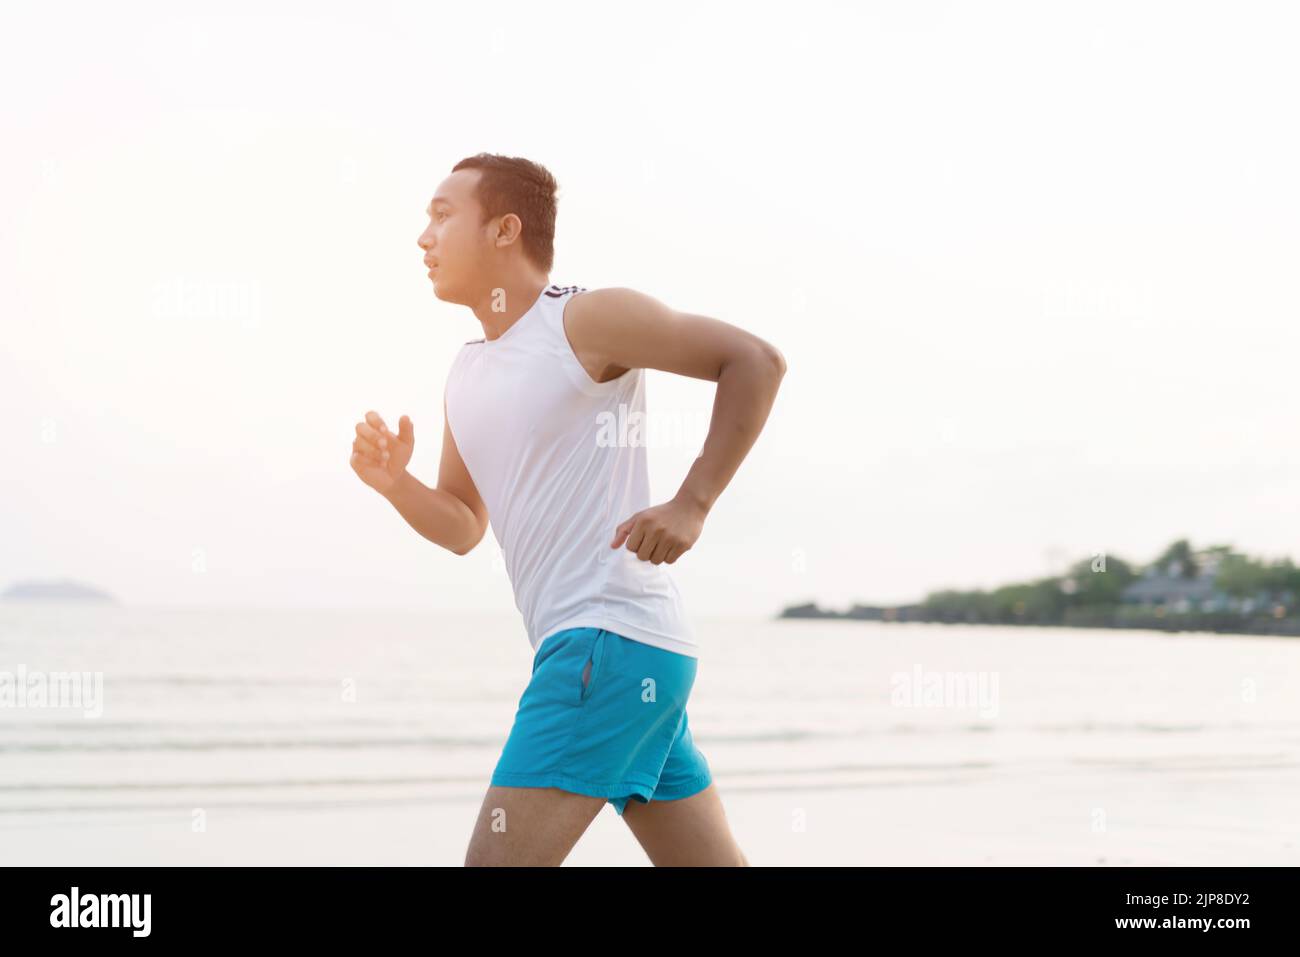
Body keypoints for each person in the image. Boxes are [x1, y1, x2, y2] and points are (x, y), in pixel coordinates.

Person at [349, 153, 785, 866]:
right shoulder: (467, 371)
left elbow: (755, 361)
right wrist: (396, 484)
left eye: (441, 214)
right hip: (630, 652)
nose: (422, 237)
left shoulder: (586, 319)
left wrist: (692, 502)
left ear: (504, 229)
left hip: (604, 640)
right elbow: (463, 524)